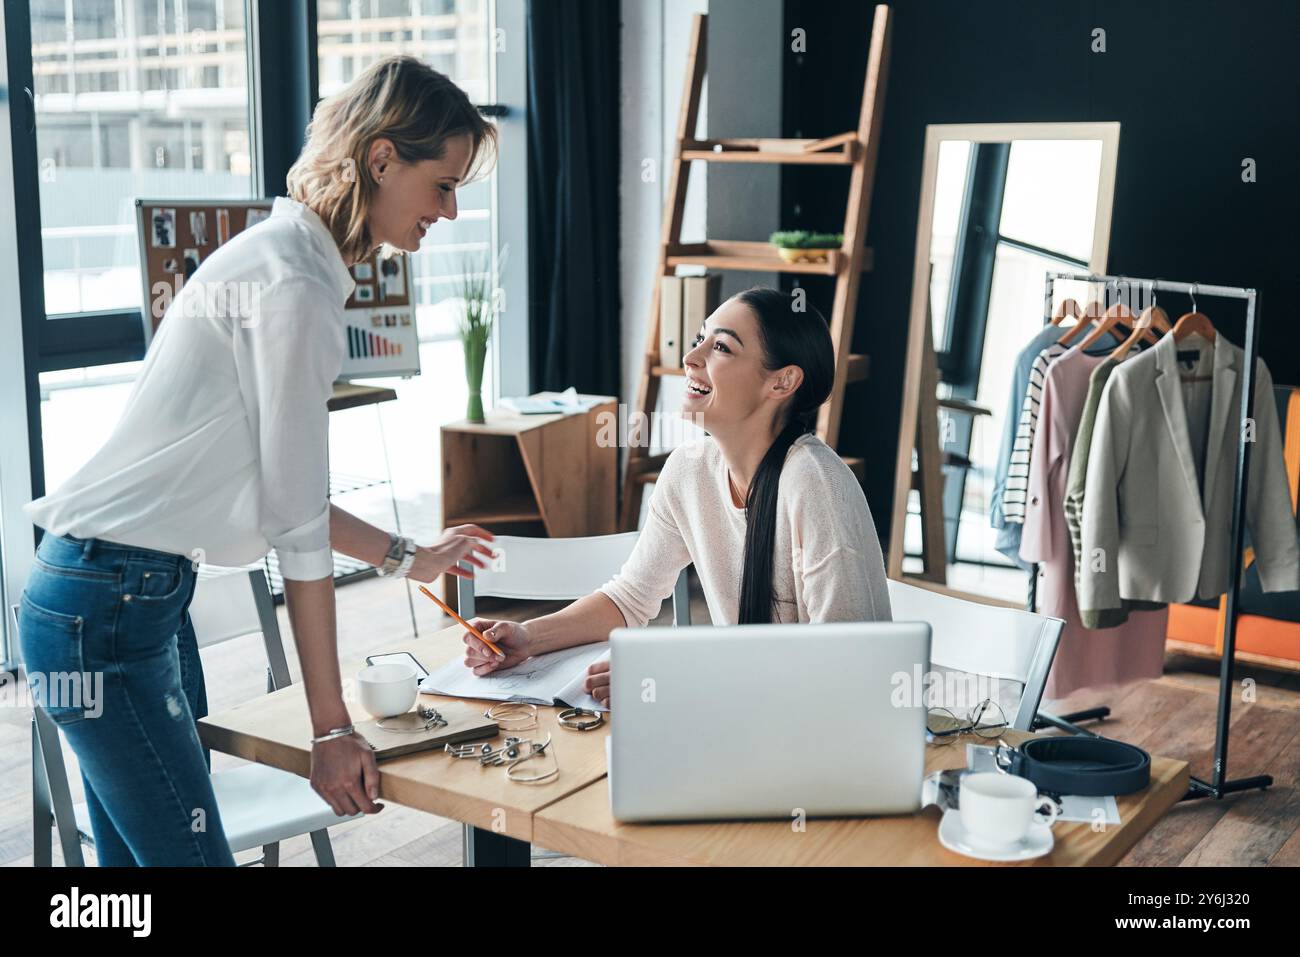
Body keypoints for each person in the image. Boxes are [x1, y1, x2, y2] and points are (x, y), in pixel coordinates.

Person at [19, 56, 497, 866]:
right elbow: (297, 526)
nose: (449, 211)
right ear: (382, 160)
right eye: (443, 185)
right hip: (111, 606)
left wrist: (408, 556)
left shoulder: (285, 260)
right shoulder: (294, 284)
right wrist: (332, 728)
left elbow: (291, 494)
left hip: (106, 597)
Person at [461, 287, 892, 706]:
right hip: (744, 719)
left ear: (782, 382)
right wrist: (528, 637)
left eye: (721, 347)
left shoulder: (816, 486)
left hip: (823, 741)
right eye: (698, 339)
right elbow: (630, 597)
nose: (690, 358)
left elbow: (844, 666)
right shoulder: (689, 469)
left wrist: (677, 672)